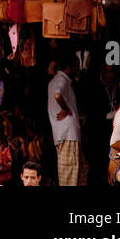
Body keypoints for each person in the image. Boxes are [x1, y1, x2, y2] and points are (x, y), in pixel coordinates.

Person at [47, 54, 83, 186]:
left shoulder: (54, 81)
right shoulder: (62, 81)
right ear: (69, 68)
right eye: (76, 66)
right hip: (68, 134)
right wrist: (66, 109)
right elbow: (58, 95)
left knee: (75, 173)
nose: (78, 69)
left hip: (63, 134)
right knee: (69, 177)